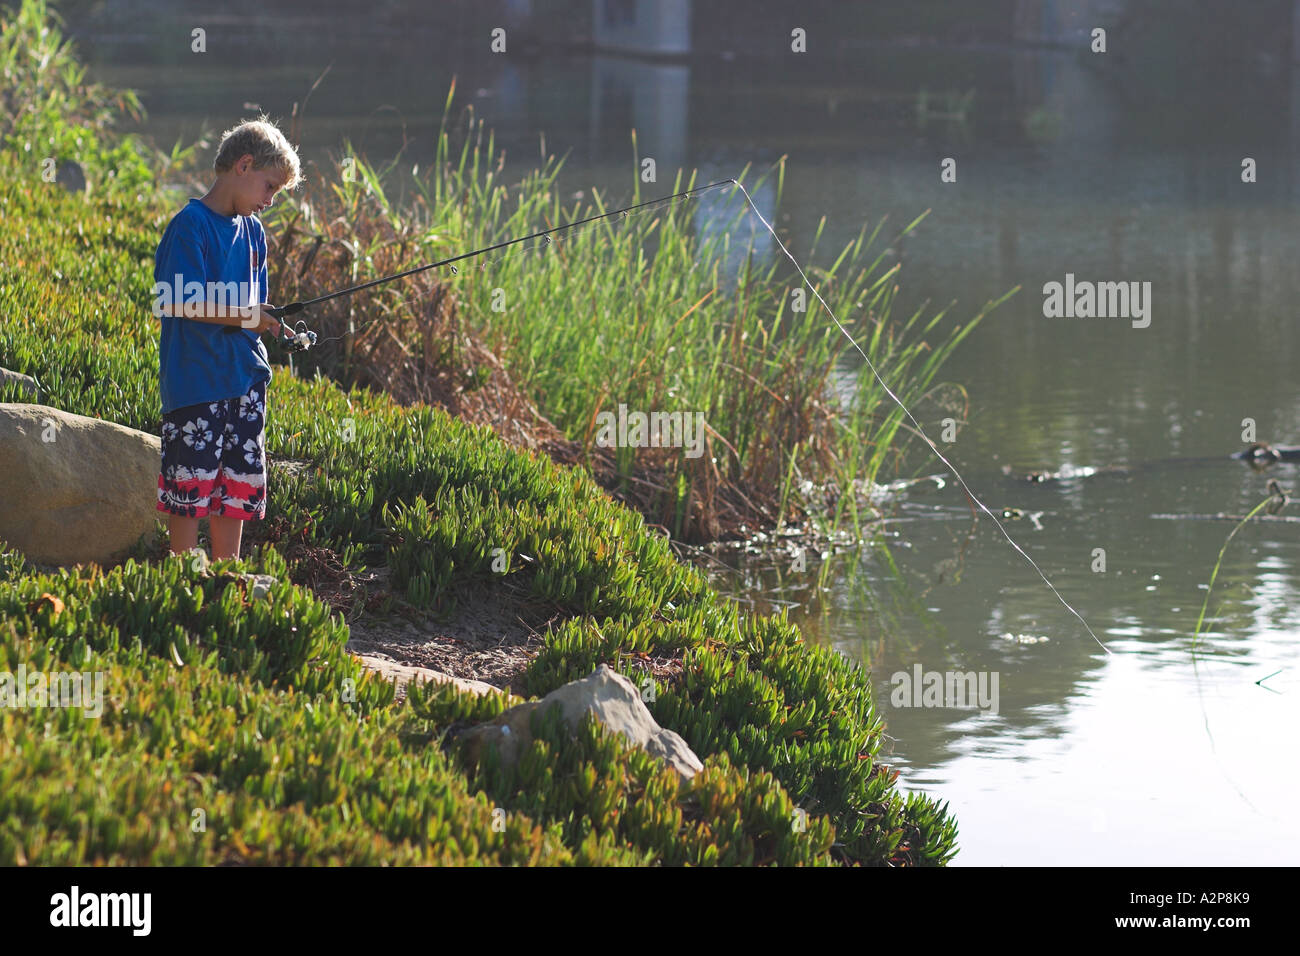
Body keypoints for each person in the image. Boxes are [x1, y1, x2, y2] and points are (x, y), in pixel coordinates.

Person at [151, 115, 303, 561]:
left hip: (246, 381)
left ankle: (226, 573)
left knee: (236, 485)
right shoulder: (190, 225)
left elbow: (253, 308)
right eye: (270, 187)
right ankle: (184, 576)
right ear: (244, 165)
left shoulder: (255, 234)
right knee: (189, 485)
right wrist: (245, 316)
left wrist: (272, 322)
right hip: (197, 383)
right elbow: (178, 302)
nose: (271, 200)